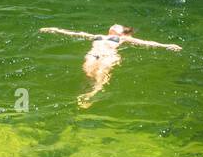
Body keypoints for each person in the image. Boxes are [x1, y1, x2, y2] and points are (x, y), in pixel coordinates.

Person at [40, 23, 182, 109]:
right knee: (88, 71)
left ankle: (92, 94)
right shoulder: (97, 35)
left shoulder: (123, 38)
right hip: (93, 54)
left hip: (109, 56)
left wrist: (167, 45)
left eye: (117, 26)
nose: (114, 25)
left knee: (101, 73)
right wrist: (53, 29)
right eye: (113, 25)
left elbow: (145, 43)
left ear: (120, 32)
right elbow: (75, 33)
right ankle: (89, 86)